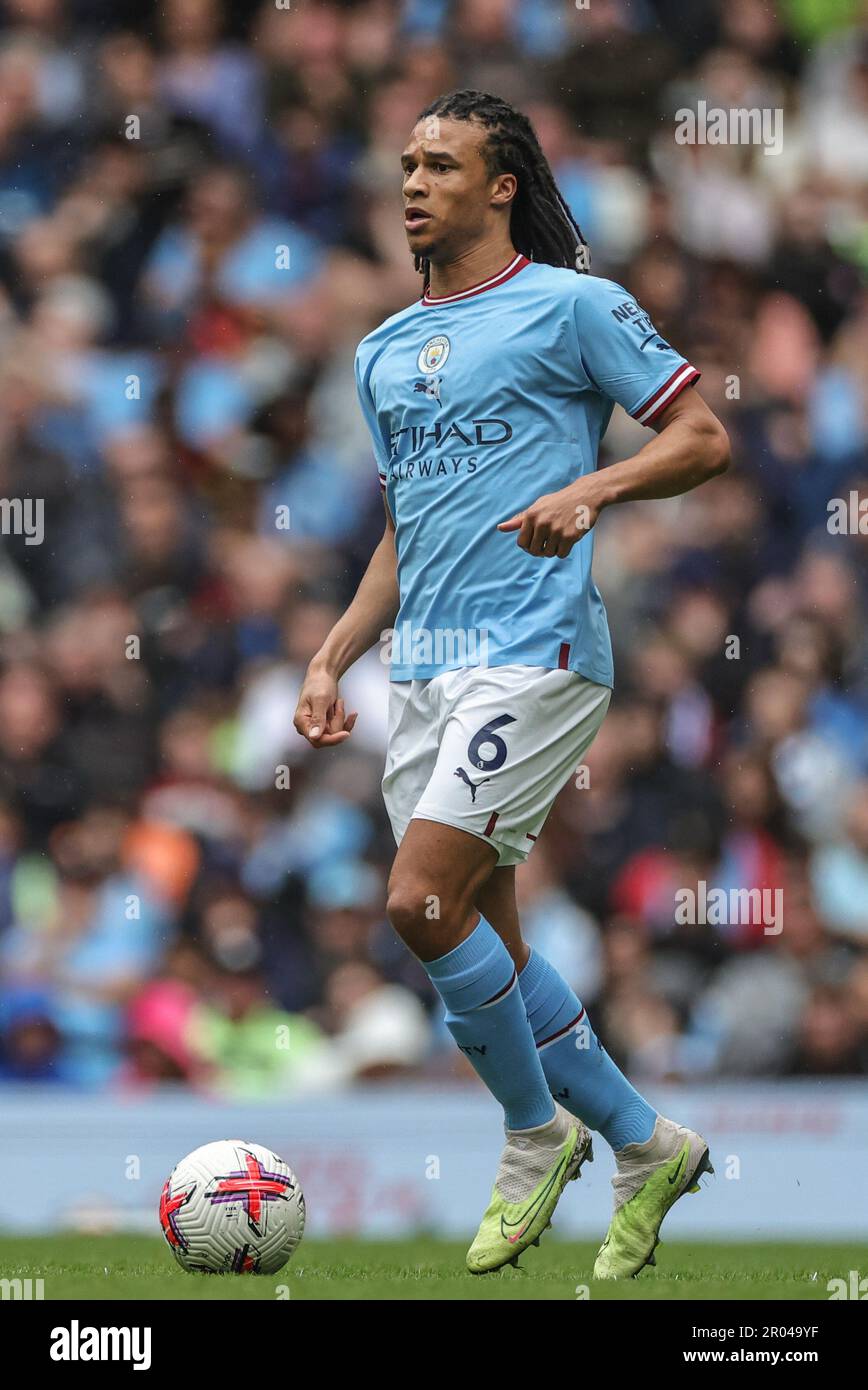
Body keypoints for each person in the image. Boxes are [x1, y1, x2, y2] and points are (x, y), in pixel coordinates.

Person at [294, 90, 729, 1278]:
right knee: (487, 937)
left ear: (500, 185)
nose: (413, 184)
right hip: (424, 675)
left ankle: (535, 1133)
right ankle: (646, 1143)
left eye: (440, 164)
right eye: (404, 165)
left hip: (534, 655)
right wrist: (335, 651)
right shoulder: (380, 351)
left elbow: (699, 440)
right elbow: (404, 529)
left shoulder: (573, 306)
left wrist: (592, 492)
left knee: (414, 901)